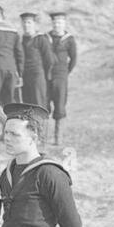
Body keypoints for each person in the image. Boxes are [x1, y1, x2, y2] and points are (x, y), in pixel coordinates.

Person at [46, 11, 78, 144]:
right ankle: (42, 136)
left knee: (60, 104)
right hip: (46, 75)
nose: (56, 25)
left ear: (64, 23)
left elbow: (74, 58)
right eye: (54, 22)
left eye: (59, 22)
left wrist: (65, 72)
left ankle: (58, 138)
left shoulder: (69, 39)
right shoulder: (46, 37)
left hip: (61, 75)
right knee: (44, 103)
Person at [19, 12, 56, 110]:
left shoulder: (41, 39)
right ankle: (31, 125)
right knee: (27, 104)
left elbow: (49, 60)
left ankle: (42, 125)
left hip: (38, 76)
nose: (26, 25)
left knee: (39, 103)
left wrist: (45, 76)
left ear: (34, 24)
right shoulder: (21, 40)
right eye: (24, 23)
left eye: (29, 22)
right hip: (25, 77)